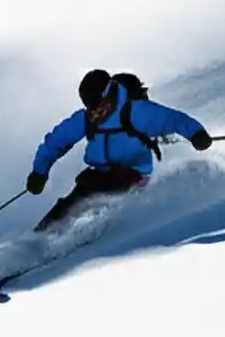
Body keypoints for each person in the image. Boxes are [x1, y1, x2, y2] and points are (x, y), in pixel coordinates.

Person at [26, 69, 212, 231]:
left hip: (133, 173)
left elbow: (173, 119)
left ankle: (98, 231)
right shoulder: (87, 117)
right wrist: (39, 172)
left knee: (104, 197)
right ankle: (35, 242)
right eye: (87, 103)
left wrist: (196, 133)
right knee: (70, 204)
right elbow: (56, 142)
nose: (92, 108)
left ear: (107, 94)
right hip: (99, 173)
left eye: (95, 101)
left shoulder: (137, 111)